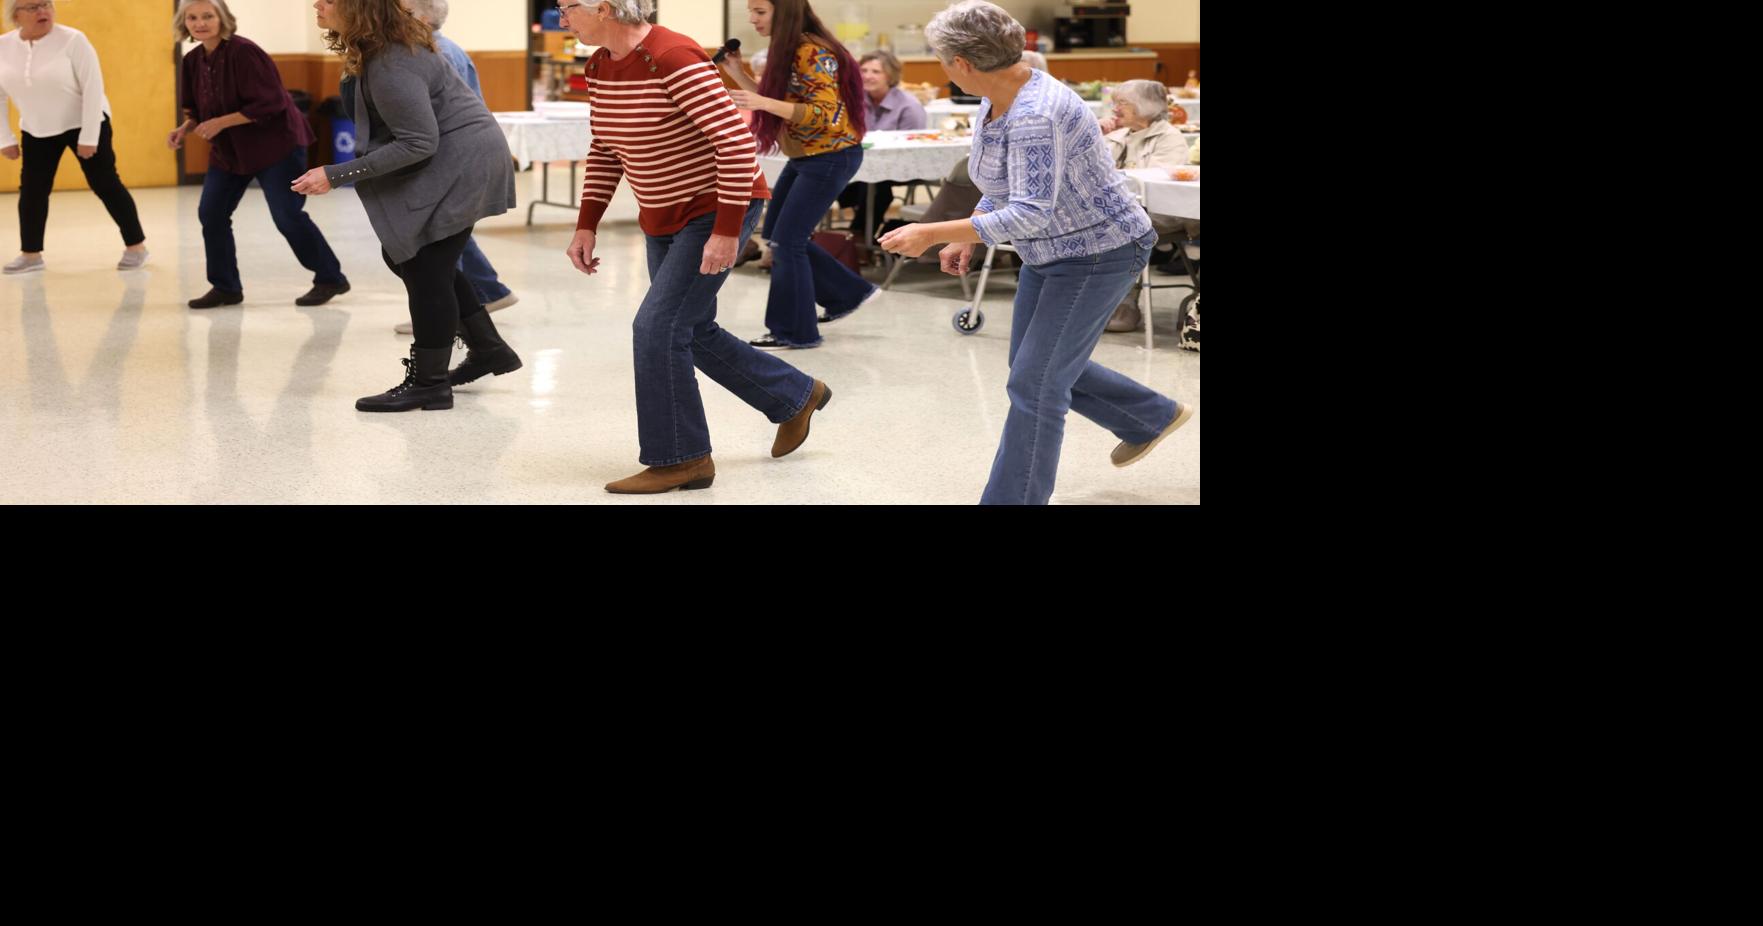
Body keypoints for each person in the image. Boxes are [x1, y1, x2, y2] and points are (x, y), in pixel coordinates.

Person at [878, 1, 1193, 505]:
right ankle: (1148, 415)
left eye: (942, 59)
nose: (941, 68)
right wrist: (968, 231)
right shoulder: (997, 95)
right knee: (1034, 366)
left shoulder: (1035, 114)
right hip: (1052, 250)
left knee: (1036, 384)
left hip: (1098, 250)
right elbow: (1006, 181)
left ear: (963, 63)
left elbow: (1030, 213)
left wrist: (934, 231)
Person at [562, 0, 832, 494]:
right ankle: (794, 395)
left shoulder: (672, 56)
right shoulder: (599, 64)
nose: (561, 17)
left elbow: (734, 143)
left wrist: (728, 231)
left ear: (603, 7)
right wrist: (587, 225)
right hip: (663, 209)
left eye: (566, 7)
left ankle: (681, 459)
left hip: (716, 206)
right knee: (691, 326)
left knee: (656, 327)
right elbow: (605, 147)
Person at [293, 0, 521, 411]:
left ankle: (429, 383)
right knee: (408, 257)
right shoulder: (375, 48)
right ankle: (488, 349)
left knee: (424, 265)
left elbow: (418, 142)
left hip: (463, 161)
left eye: (328, 0)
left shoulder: (392, 59)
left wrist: (337, 173)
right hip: (454, 155)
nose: (317, 4)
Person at [171, 0, 350, 309]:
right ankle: (225, 287)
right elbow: (197, 109)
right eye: (192, 17)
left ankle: (330, 277)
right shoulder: (192, 61)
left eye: (208, 16)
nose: (200, 23)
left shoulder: (245, 52)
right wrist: (186, 127)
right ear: (184, 23)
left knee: (287, 216)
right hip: (231, 150)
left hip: (276, 145)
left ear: (223, 18)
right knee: (211, 213)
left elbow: (269, 104)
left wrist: (219, 122)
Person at [717, 0, 875, 348]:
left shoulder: (812, 52)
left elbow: (824, 113)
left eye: (760, 11)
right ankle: (847, 294)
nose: (752, 19)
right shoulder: (788, 47)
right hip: (809, 155)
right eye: (751, 11)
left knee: (787, 242)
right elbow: (776, 99)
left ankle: (794, 331)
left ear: (783, 11)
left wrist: (763, 103)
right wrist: (738, 72)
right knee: (777, 234)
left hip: (830, 155)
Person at [0, 0, 147, 274]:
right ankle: (31, 255)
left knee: (104, 183)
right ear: (15, 15)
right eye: (33, 7)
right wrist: (4, 138)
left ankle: (136, 246)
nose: (43, 11)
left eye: (46, 5)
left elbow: (94, 88)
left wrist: (90, 135)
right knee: (32, 190)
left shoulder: (73, 40)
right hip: (37, 127)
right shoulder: (3, 47)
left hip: (84, 122)